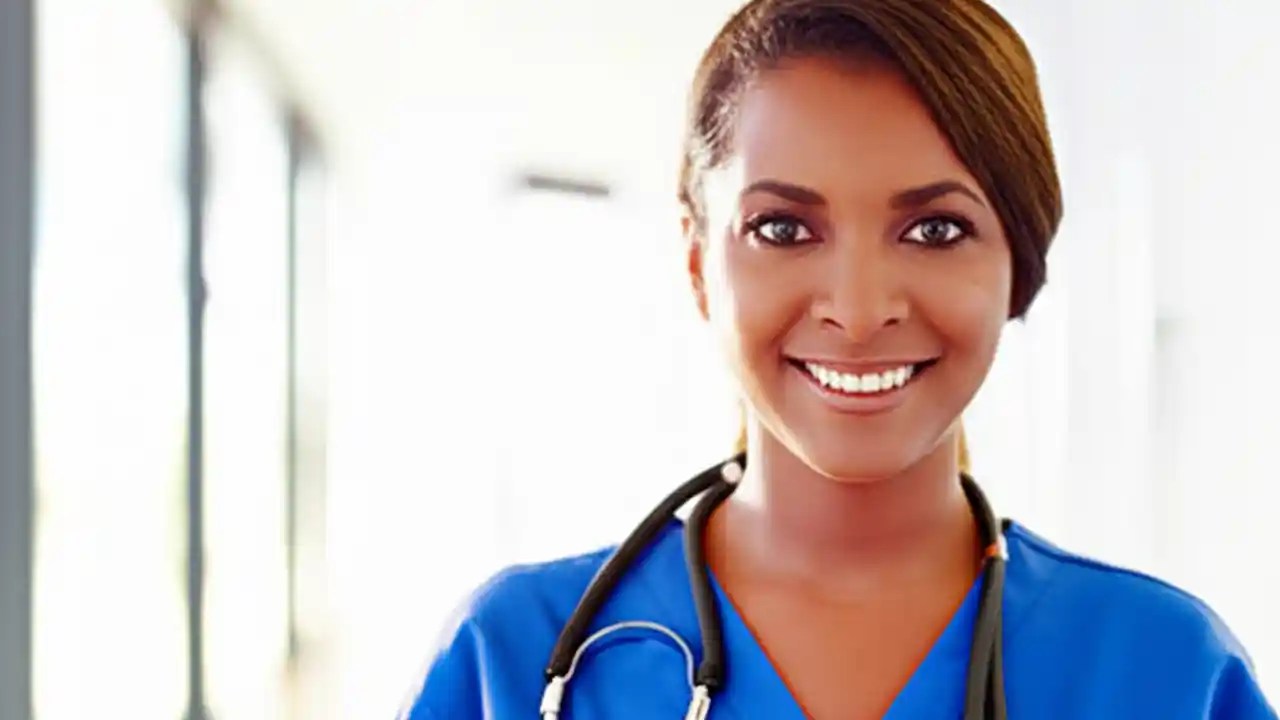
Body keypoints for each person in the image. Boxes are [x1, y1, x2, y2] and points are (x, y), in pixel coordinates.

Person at [400, 0, 1278, 717]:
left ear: (1021, 265)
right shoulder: (509, 666)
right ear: (700, 263)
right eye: (783, 228)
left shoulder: (1165, 675)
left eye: (936, 230)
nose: (858, 313)